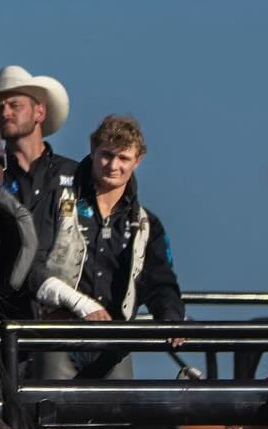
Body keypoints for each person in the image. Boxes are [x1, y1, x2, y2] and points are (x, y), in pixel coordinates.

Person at [29, 115, 184, 379]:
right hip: (56, 335)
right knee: (49, 415)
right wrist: (80, 304)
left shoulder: (146, 224)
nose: (113, 166)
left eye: (123, 158)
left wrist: (171, 320)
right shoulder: (56, 202)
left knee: (118, 417)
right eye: (106, 155)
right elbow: (32, 267)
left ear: (137, 161)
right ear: (92, 151)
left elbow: (160, 282)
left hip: (115, 345)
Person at [0, 65, 78, 319]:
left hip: (63, 317)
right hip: (2, 320)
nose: (5, 112)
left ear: (40, 112)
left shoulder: (76, 176)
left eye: (15, 105)